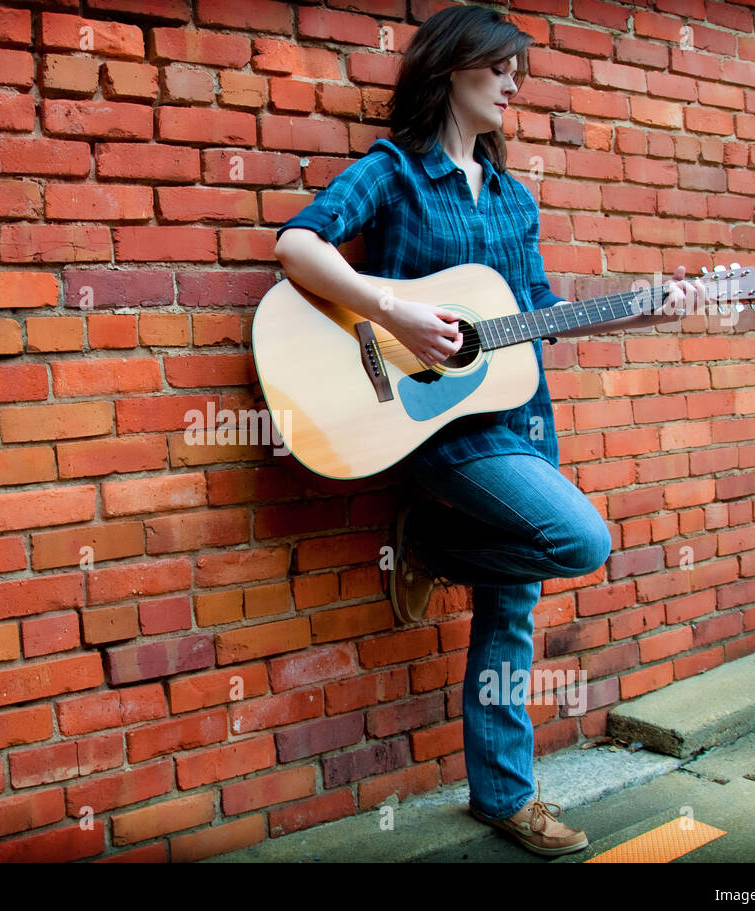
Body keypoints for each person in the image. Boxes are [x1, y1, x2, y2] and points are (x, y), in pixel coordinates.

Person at [272, 4, 706, 857]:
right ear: (449, 70)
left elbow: (537, 314)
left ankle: (505, 796)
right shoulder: (394, 173)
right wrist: (390, 305)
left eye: (518, 69)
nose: (514, 82)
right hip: (425, 424)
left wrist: (645, 309)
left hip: (517, 422)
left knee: (513, 610)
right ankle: (432, 539)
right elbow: (297, 245)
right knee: (580, 538)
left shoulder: (514, 199)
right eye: (500, 65)